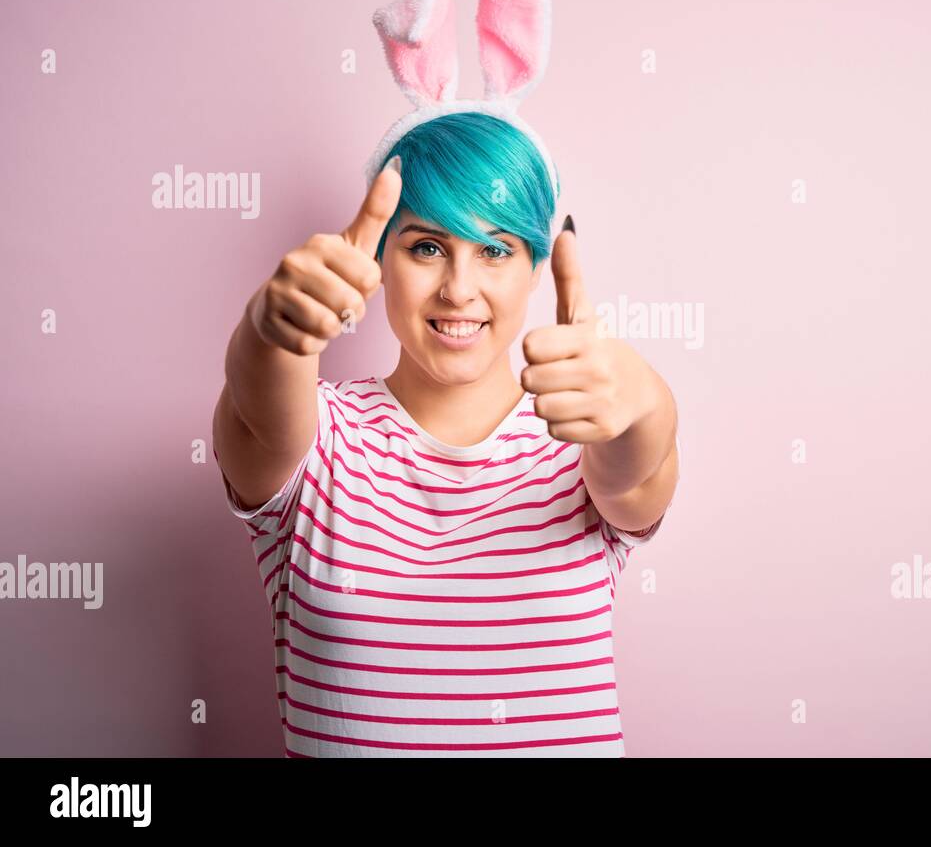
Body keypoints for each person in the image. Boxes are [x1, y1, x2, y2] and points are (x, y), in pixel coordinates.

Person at [211, 111, 680, 756]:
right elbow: (252, 409)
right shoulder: (320, 439)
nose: (459, 290)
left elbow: (641, 469)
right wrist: (267, 333)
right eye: (427, 247)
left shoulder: (586, 434)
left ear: (536, 267)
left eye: (495, 250)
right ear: (381, 259)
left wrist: (647, 403)